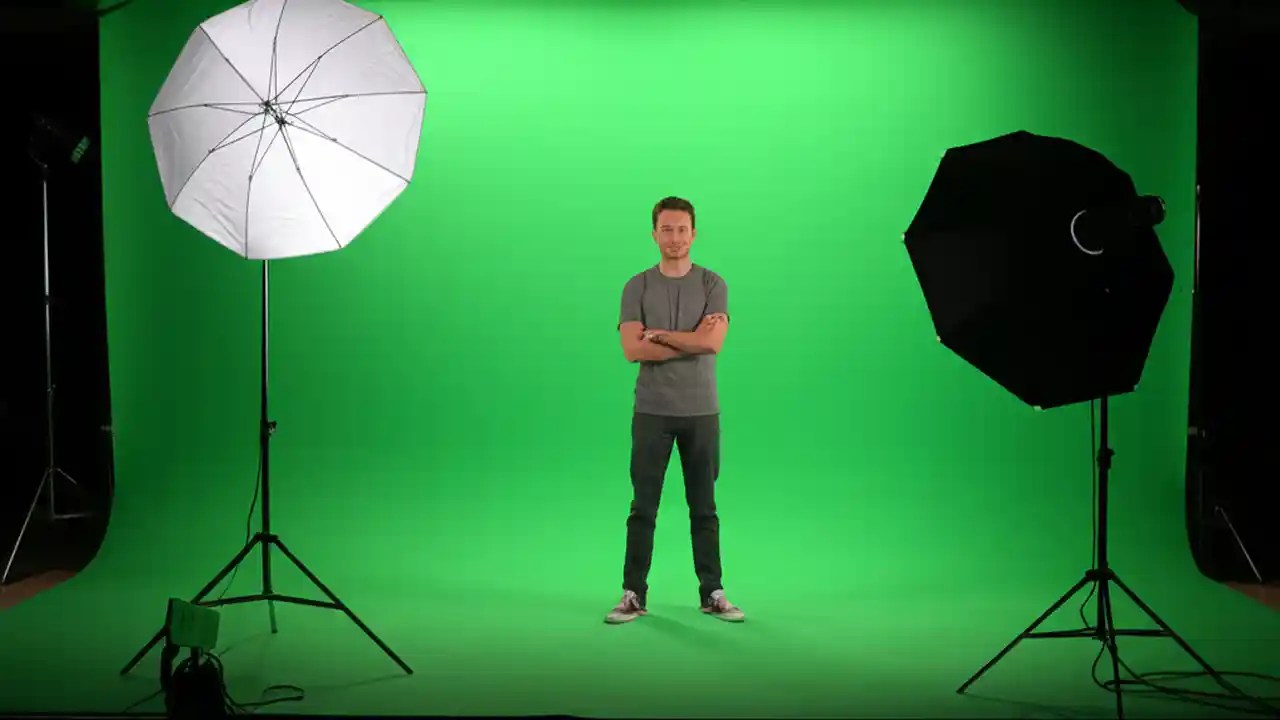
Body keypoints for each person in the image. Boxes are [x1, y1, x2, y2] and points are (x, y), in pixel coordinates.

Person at [605, 196, 744, 624]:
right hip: (652, 411)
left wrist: (661, 337)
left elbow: (712, 344)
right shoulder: (637, 286)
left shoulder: (712, 284)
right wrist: (687, 338)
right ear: (654, 234)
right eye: (666, 229)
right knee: (643, 506)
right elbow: (632, 349)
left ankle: (713, 591)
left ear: (694, 233)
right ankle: (633, 593)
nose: (675, 237)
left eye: (682, 229)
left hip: (702, 411)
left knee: (704, 507)